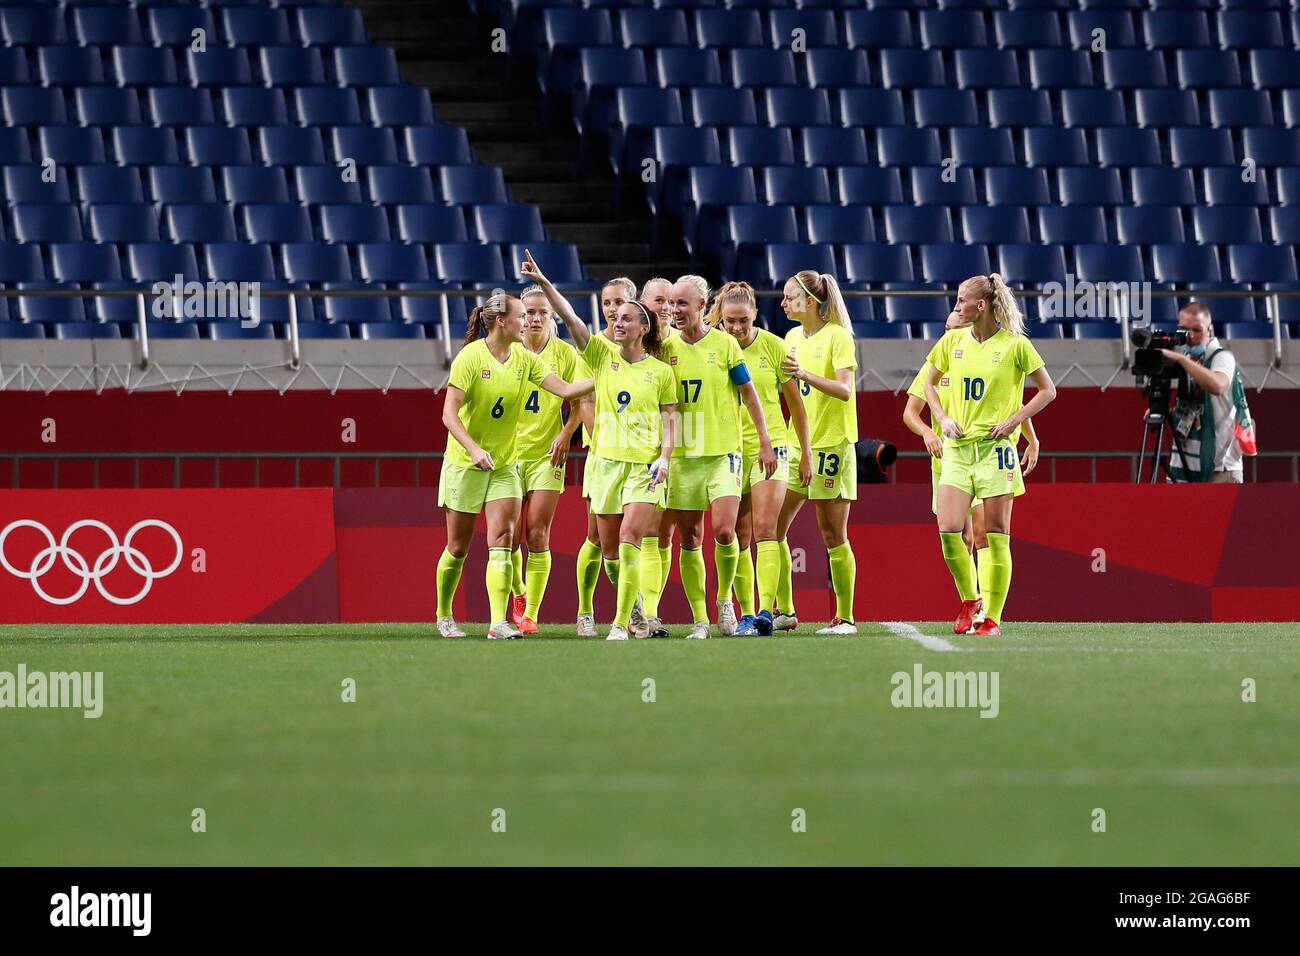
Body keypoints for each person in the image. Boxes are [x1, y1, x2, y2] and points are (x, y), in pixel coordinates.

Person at [523, 254, 677, 640]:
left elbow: (672, 422)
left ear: (644, 327)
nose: (616, 321)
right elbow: (572, 319)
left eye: (626, 318)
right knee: (610, 554)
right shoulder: (599, 355)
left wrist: (665, 458)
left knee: (630, 541)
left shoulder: (661, 372)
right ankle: (636, 609)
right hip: (605, 465)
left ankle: (621, 623)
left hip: (643, 469)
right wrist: (543, 281)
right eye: (614, 316)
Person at [436, 291, 593, 639]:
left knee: (504, 540)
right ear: (502, 321)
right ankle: (444, 614)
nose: (528, 322)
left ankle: (498, 622)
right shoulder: (470, 358)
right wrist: (474, 449)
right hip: (466, 463)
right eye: (522, 315)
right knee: (458, 548)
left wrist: (614, 373)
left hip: (505, 464)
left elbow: (566, 390)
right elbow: (449, 414)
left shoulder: (525, 358)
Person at [922, 274, 1057, 637]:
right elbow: (928, 385)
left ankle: (992, 618)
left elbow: (1048, 391)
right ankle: (971, 599)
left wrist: (1016, 421)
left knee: (995, 535)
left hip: (996, 452)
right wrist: (942, 417)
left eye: (962, 300)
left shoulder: (1016, 346)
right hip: (958, 451)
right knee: (949, 529)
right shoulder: (952, 342)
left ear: (980, 305)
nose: (957, 305)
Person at [661, 275, 778, 639]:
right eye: (671, 304)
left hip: (723, 453)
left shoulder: (726, 345)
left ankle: (725, 600)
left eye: (682, 304)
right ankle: (700, 618)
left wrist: (764, 440)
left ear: (700, 305)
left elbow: (749, 394)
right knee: (690, 538)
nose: (675, 311)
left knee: (724, 530)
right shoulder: (665, 349)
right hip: (683, 456)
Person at [708, 281, 812, 636]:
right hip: (730, 451)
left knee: (767, 528)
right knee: (738, 533)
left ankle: (767, 611)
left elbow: (796, 407)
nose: (737, 329)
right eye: (730, 322)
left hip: (773, 448)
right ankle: (747, 612)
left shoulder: (774, 347)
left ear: (755, 314)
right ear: (720, 318)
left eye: (743, 321)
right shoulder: (714, 348)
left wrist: (806, 454)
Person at [772, 271, 861, 635]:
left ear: (810, 301)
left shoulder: (838, 337)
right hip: (797, 446)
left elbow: (845, 391)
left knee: (831, 534)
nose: (782, 303)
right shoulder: (791, 337)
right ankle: (786, 610)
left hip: (832, 446)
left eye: (790, 297)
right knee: (771, 527)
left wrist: (805, 374)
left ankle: (845, 617)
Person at [507, 284, 589, 634]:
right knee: (507, 538)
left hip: (546, 456)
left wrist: (565, 433)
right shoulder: (506, 352)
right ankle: (518, 592)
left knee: (537, 533)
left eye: (543, 312)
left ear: (552, 316)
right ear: (520, 318)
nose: (536, 318)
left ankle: (531, 615)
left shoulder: (565, 354)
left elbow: (580, 403)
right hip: (507, 455)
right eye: (530, 312)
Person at [573, 277, 648, 636]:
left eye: (619, 302)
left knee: (632, 537)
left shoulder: (649, 352)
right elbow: (581, 398)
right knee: (597, 539)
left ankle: (630, 609)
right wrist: (602, 437)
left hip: (639, 459)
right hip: (602, 455)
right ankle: (586, 609)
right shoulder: (595, 348)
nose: (613, 310)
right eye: (606, 303)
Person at [1161, 302, 1250, 484]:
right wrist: (1168, 412)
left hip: (1221, 467)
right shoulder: (1190, 360)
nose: (1191, 336)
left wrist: (1180, 359)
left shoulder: (1222, 357)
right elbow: (1194, 405)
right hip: (1189, 462)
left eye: (1197, 330)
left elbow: (1217, 385)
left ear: (1210, 329)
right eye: (1185, 330)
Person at [635, 276, 679, 639]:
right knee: (639, 533)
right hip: (634, 451)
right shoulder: (624, 343)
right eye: (659, 301)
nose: (666, 308)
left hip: (680, 446)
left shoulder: (682, 341)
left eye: (671, 302)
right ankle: (639, 613)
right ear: (643, 304)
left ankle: (651, 612)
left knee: (663, 535)